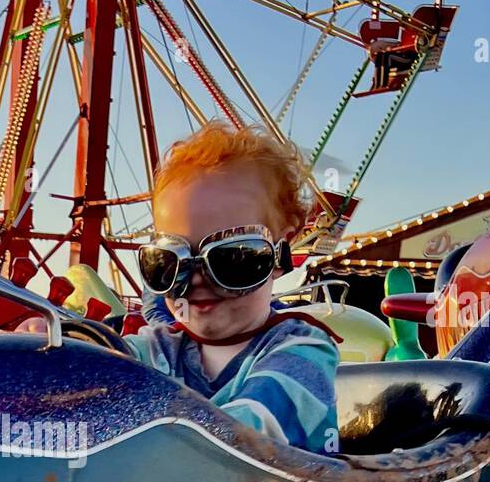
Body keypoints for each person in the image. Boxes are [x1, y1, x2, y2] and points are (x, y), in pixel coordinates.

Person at [129, 121, 340, 452]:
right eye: (170, 263)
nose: (197, 280)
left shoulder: (303, 352)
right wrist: (49, 345)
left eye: (233, 259)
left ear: (280, 253)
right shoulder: (157, 350)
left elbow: (247, 437)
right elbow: (96, 368)